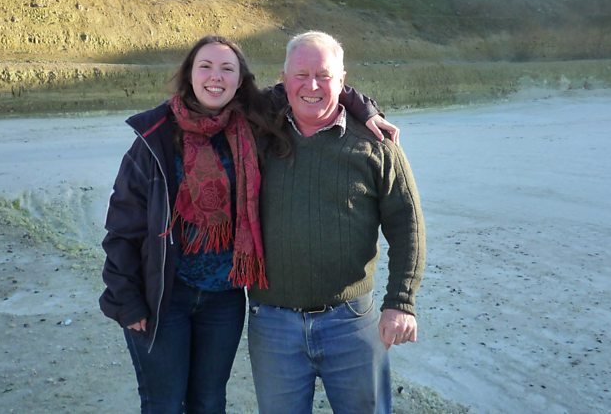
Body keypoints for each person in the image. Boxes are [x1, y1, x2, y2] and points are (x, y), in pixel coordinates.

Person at [98, 35, 397, 413]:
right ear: (189, 74)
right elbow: (123, 228)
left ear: (241, 80)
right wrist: (127, 301)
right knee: (165, 403)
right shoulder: (154, 139)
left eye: (227, 69)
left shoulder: (251, 121)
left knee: (209, 402)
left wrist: (365, 110)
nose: (215, 77)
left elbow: (314, 84)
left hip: (223, 300)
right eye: (205, 67)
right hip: (163, 297)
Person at [247, 31, 426, 414]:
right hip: (272, 324)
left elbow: (406, 225)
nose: (311, 85)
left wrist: (401, 303)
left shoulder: (377, 145)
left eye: (324, 76)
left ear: (342, 82)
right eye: (300, 75)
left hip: (352, 322)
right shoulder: (256, 138)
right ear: (283, 78)